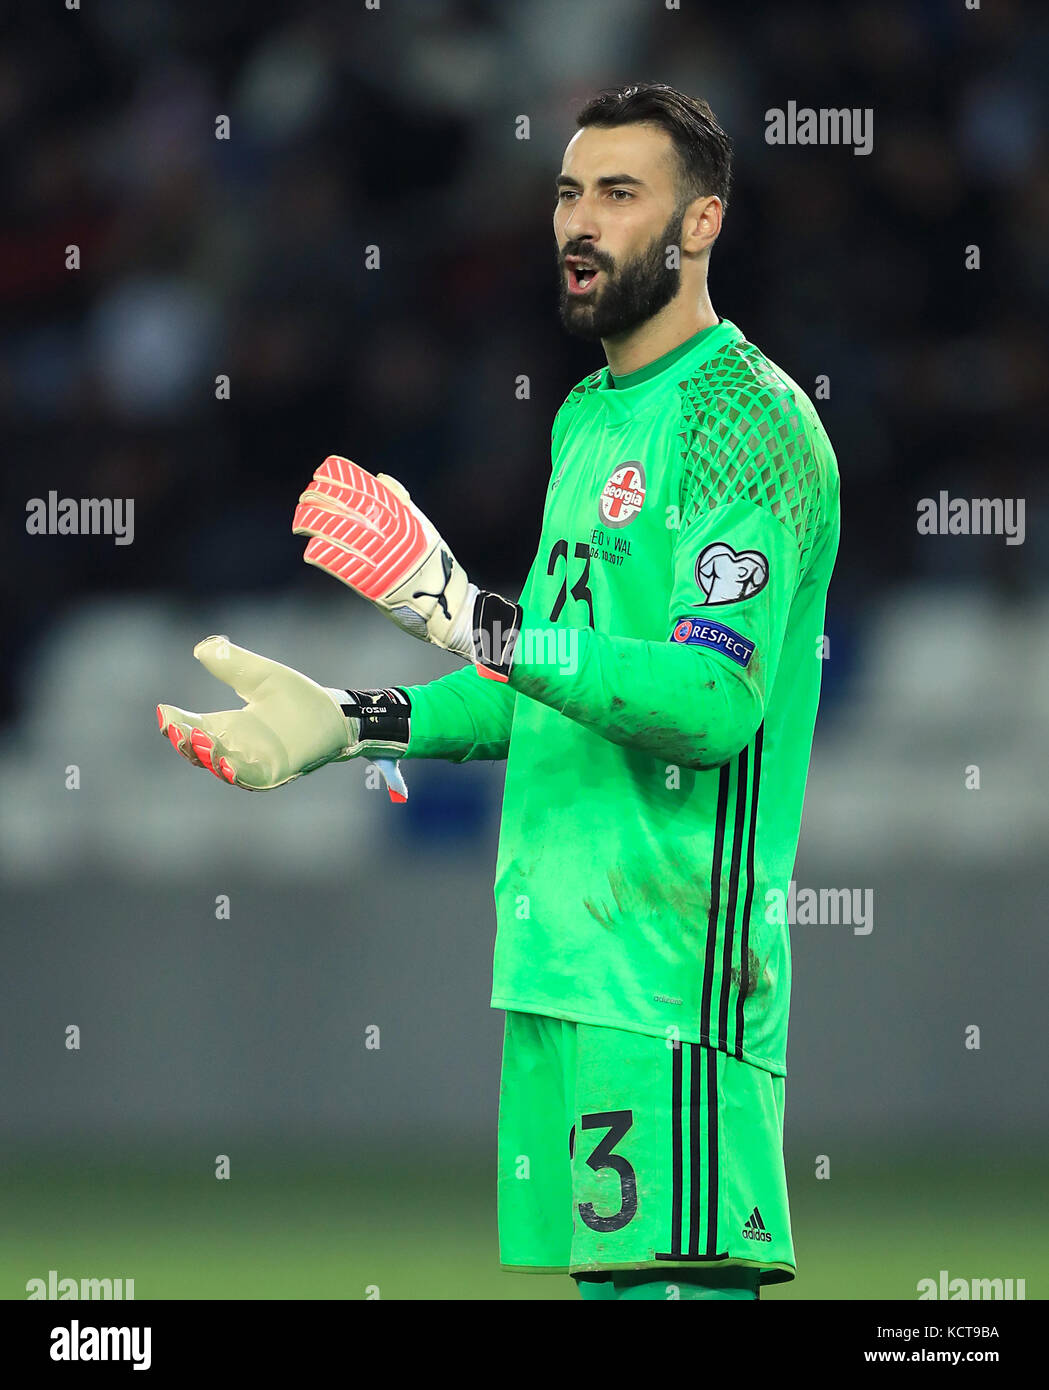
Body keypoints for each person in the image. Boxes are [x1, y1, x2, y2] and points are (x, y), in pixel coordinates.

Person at [158, 83, 840, 1302]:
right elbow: (541, 673)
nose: (580, 222)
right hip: (558, 967)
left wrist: (473, 615)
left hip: (669, 979)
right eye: (569, 193)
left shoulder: (747, 423)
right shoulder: (586, 415)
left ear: (700, 227)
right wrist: (355, 719)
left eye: (620, 195)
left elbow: (709, 698)